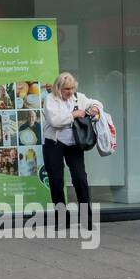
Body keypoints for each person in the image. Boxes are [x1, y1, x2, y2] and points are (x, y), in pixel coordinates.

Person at [42, 72, 94, 227]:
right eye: (66, 89)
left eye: (72, 88)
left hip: (74, 144)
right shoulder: (50, 100)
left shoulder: (79, 97)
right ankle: (62, 219)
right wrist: (74, 114)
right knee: (56, 181)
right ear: (58, 88)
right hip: (54, 143)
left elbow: (95, 103)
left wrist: (95, 108)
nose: (70, 91)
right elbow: (55, 121)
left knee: (80, 179)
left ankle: (86, 219)